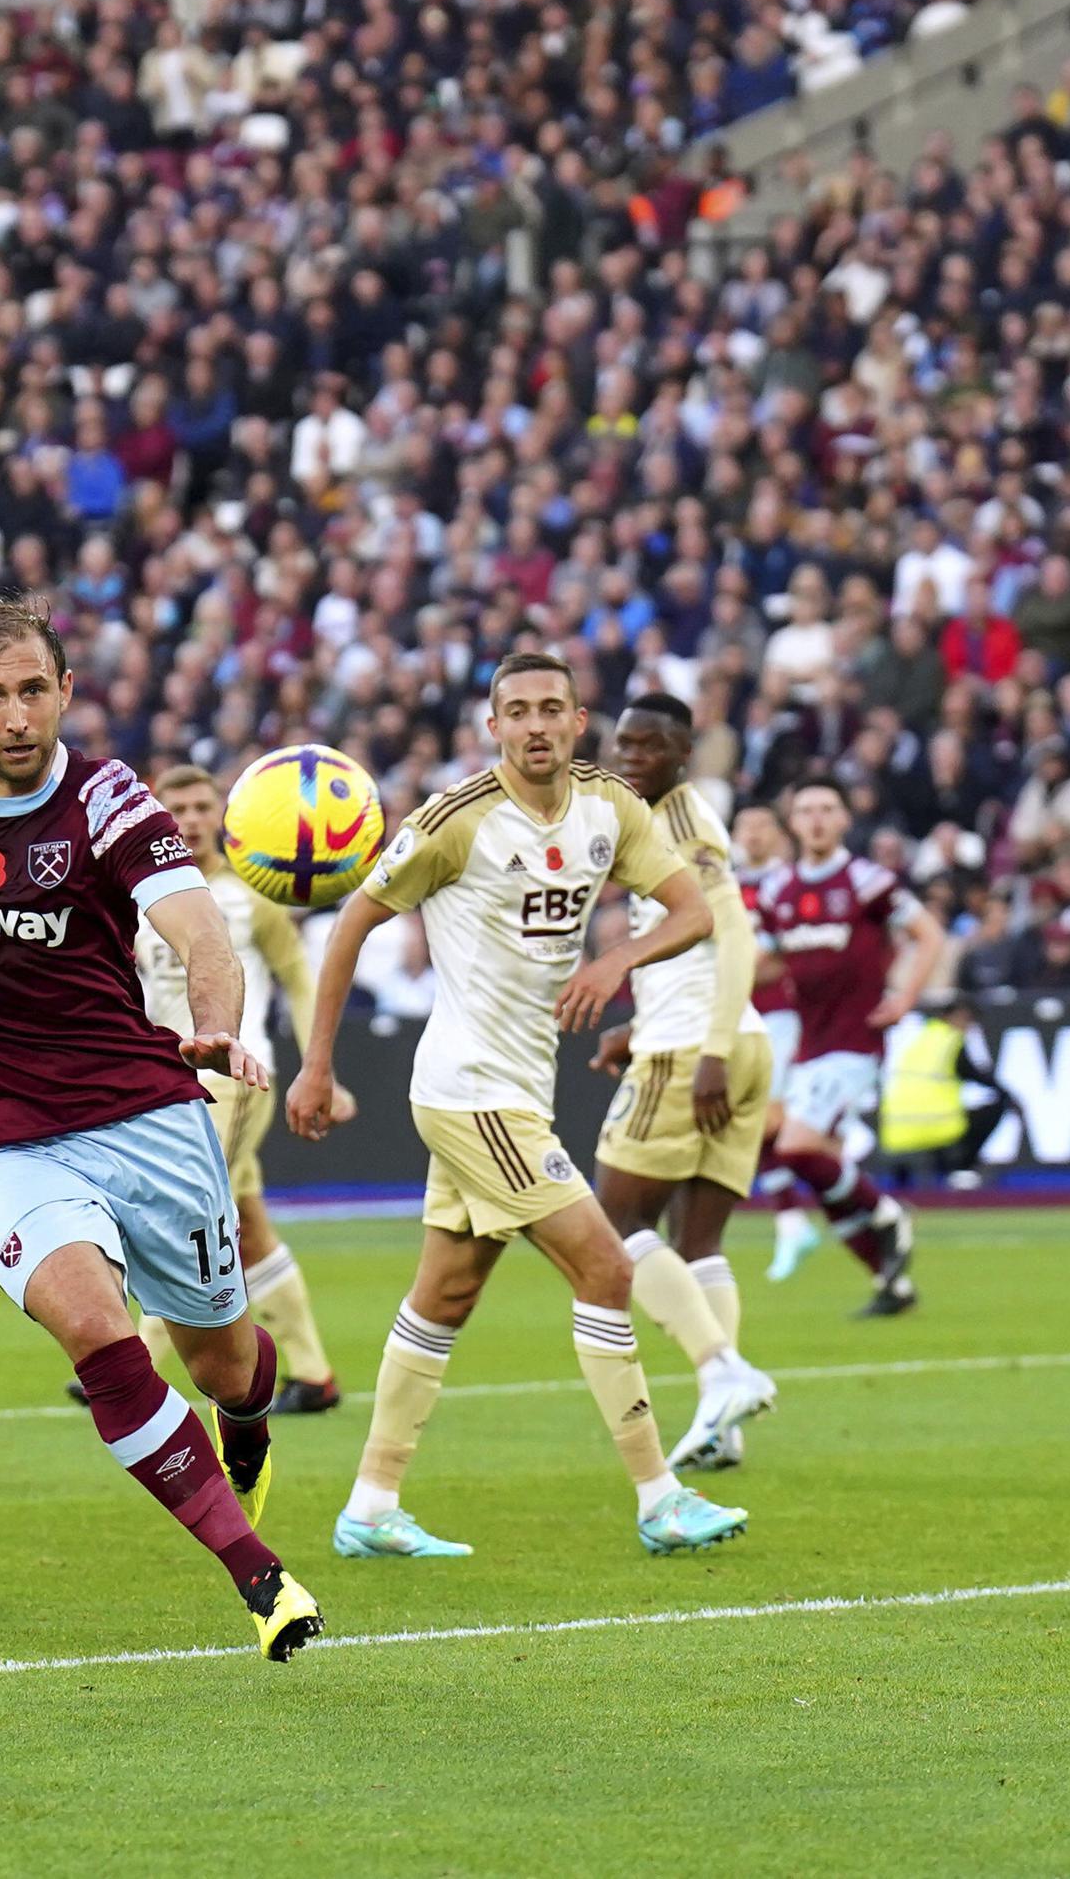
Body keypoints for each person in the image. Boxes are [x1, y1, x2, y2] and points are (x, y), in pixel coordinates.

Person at [0, 596, 321, 1658]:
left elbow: (203, 938)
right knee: (95, 1332)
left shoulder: (110, 803)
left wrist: (217, 1028)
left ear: (65, 694)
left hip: (141, 1114)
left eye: (32, 690)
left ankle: (247, 1422)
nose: (14, 714)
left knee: (225, 1361)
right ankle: (259, 1579)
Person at [288, 652, 747, 1560]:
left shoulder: (609, 806)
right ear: (491, 727)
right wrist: (316, 1066)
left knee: (446, 1294)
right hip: (470, 1092)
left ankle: (371, 1507)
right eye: (517, 711)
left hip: (518, 1090)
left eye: (553, 709)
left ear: (579, 721)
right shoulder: (455, 822)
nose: (536, 725)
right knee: (608, 1271)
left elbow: (695, 912)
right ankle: (660, 1497)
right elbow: (352, 924)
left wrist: (617, 962)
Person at [104, 763, 349, 1412]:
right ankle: (315, 1375)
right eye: (175, 807)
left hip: (232, 1081)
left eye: (199, 805)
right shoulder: (143, 893)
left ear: (220, 813)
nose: (188, 819)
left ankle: (134, 1355)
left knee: (186, 1211)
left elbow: (299, 977)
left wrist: (319, 1066)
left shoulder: (251, 891)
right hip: (163, 1082)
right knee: (249, 1227)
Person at [584, 696, 781, 1469]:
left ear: (683, 751)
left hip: (697, 1048)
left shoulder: (681, 824)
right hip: (718, 1036)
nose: (631, 755)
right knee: (698, 1242)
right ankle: (722, 1417)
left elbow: (734, 937)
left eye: (649, 744)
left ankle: (721, 1370)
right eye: (621, 742)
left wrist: (712, 1048)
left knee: (614, 1218)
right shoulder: (668, 814)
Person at [753, 777, 943, 1316]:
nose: (815, 818)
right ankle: (892, 1283)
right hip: (807, 1046)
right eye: (806, 809)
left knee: (794, 1147)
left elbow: (928, 933)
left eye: (826, 809)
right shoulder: (777, 893)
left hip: (854, 1043)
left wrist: (905, 995)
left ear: (842, 821)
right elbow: (765, 961)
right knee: (825, 1173)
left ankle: (888, 1214)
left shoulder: (866, 882)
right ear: (793, 822)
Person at [728, 800, 819, 1279]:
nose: (755, 832)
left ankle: (801, 1218)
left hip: (784, 1014)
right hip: (737, 1014)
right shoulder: (726, 885)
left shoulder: (791, 883)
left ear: (779, 834)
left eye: (763, 823)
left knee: (769, 1120)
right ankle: (794, 1219)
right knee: (758, 1121)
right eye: (746, 823)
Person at [875, 994, 1006, 1192]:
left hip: (895, 1133)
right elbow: (975, 1075)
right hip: (937, 1129)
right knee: (997, 1105)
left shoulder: (919, 1038)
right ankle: (962, 1168)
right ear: (956, 1016)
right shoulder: (950, 1040)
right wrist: (1008, 1093)